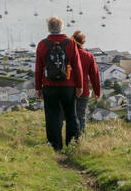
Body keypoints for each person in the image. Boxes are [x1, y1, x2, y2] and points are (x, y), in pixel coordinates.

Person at [34, 16, 83, 151]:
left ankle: (55, 145)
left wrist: (38, 87)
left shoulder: (42, 44)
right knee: (71, 115)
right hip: (68, 85)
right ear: (62, 28)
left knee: (52, 116)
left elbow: (38, 68)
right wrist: (80, 85)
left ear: (49, 28)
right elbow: (77, 66)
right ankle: (72, 143)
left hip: (49, 86)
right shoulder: (71, 43)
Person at [72, 30, 102, 136]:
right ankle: (80, 139)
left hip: (67, 89)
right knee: (81, 115)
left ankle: (66, 138)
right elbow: (95, 76)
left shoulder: (67, 54)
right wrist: (97, 91)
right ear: (83, 42)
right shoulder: (88, 56)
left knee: (65, 115)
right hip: (83, 90)